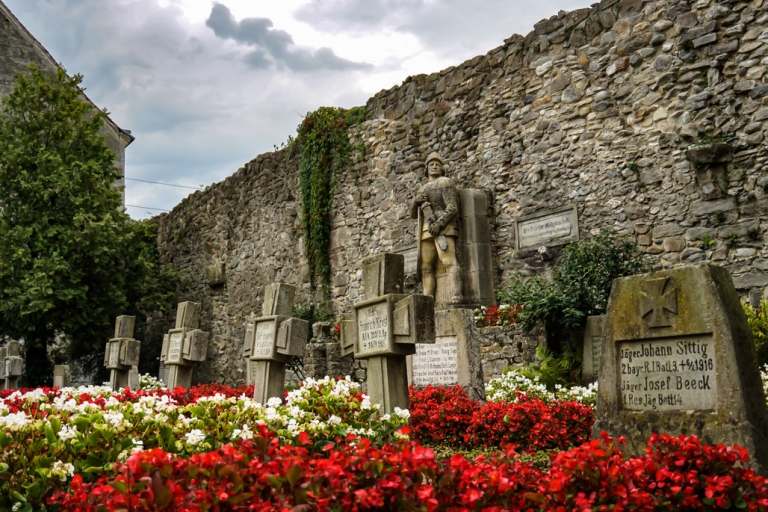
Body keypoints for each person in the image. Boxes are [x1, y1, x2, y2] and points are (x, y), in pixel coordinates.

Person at [409, 152, 463, 303]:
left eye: (437, 164)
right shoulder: (422, 189)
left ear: (442, 168)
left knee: (448, 260)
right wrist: (415, 202)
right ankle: (428, 300)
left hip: (444, 227)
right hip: (426, 230)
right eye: (431, 164)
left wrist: (440, 224)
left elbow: (452, 207)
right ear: (426, 168)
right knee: (426, 268)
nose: (434, 166)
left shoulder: (445, 182)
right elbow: (413, 215)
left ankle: (457, 294)